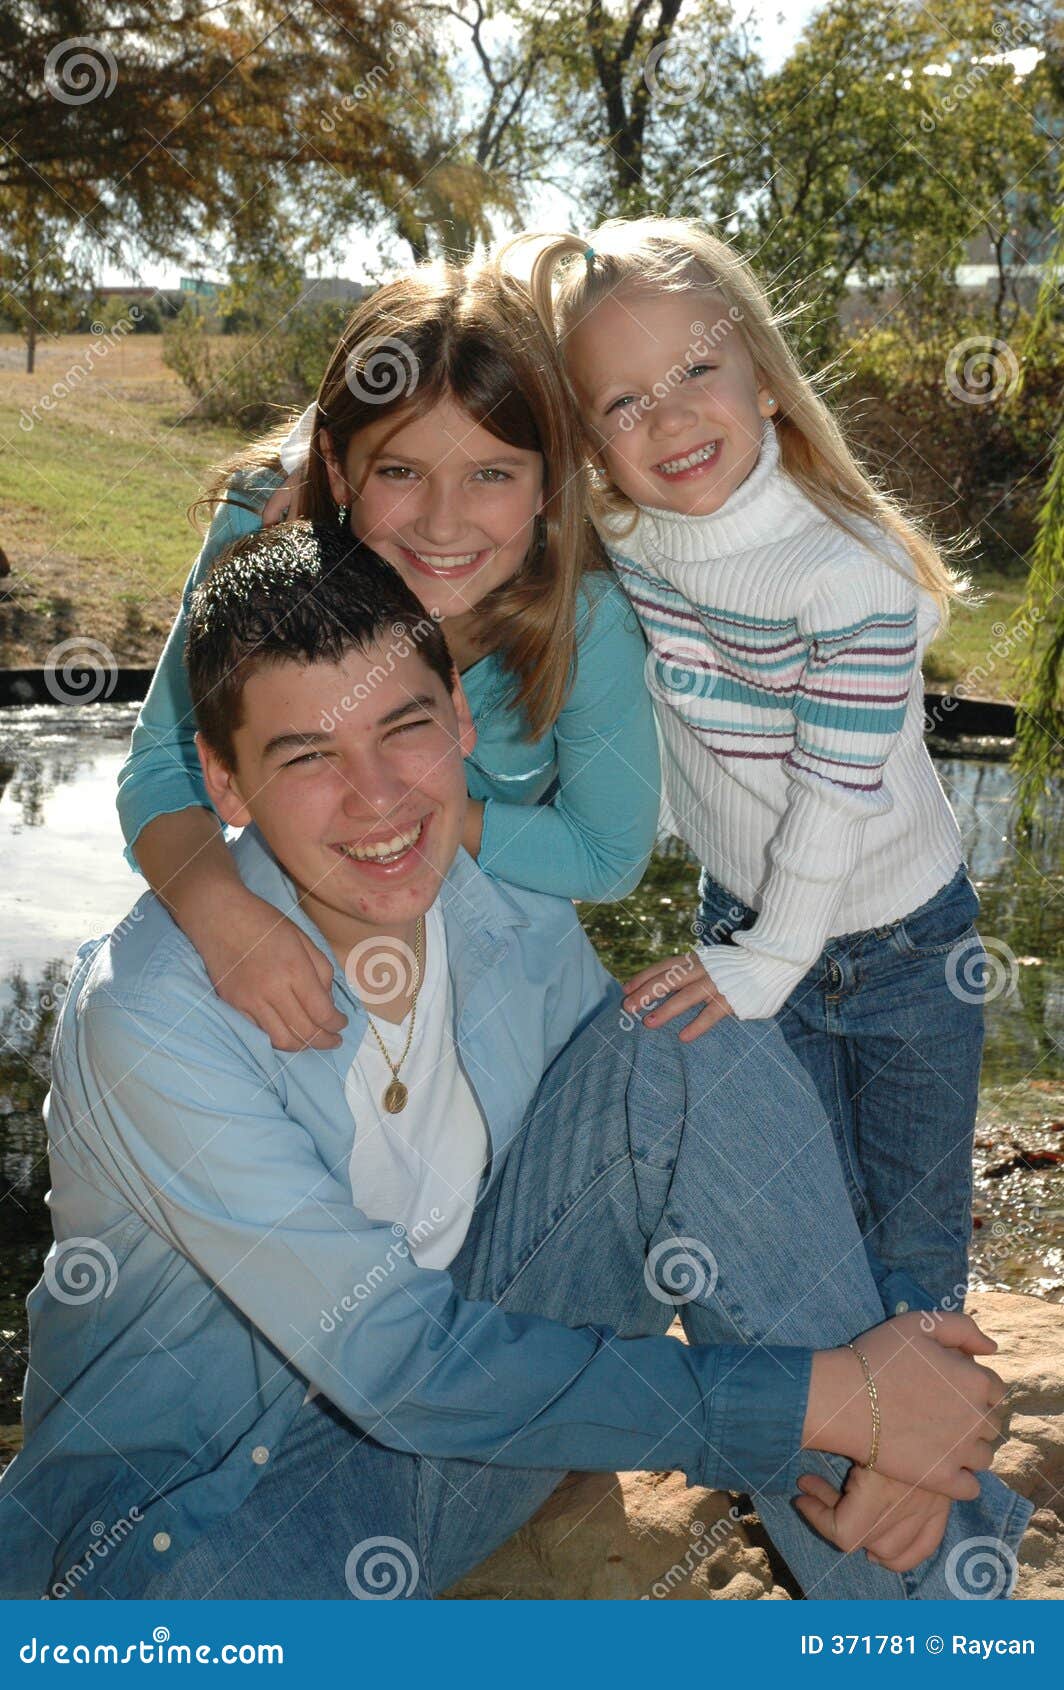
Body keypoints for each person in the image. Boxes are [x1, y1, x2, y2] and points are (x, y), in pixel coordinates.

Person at [0, 523, 1029, 1602]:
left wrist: (879, 1424)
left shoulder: (499, 905)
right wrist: (819, 1398)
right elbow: (392, 1362)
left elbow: (664, 1150)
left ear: (457, 720)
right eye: (307, 757)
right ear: (225, 781)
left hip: (455, 1455)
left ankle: (920, 1572)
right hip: (209, 1538)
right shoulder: (152, 1016)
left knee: (690, 1031)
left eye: (405, 730)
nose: (379, 797)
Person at [515, 218, 985, 1310]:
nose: (668, 415)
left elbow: (830, 793)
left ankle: (932, 1474)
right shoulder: (625, 540)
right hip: (743, 923)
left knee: (909, 1250)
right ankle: (814, 1452)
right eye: (621, 402)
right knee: (790, 1227)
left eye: (694, 369)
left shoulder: (842, 572)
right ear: (590, 442)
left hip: (903, 947)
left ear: (764, 379)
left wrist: (768, 963)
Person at [116, 259, 660, 1057]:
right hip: (293, 913)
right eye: (402, 473)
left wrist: (418, 821)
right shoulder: (259, 541)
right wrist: (219, 914)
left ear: (550, 482)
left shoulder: (585, 624)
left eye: (492, 475)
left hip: (486, 959)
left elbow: (609, 858)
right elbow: (162, 764)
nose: (443, 525)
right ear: (336, 467)